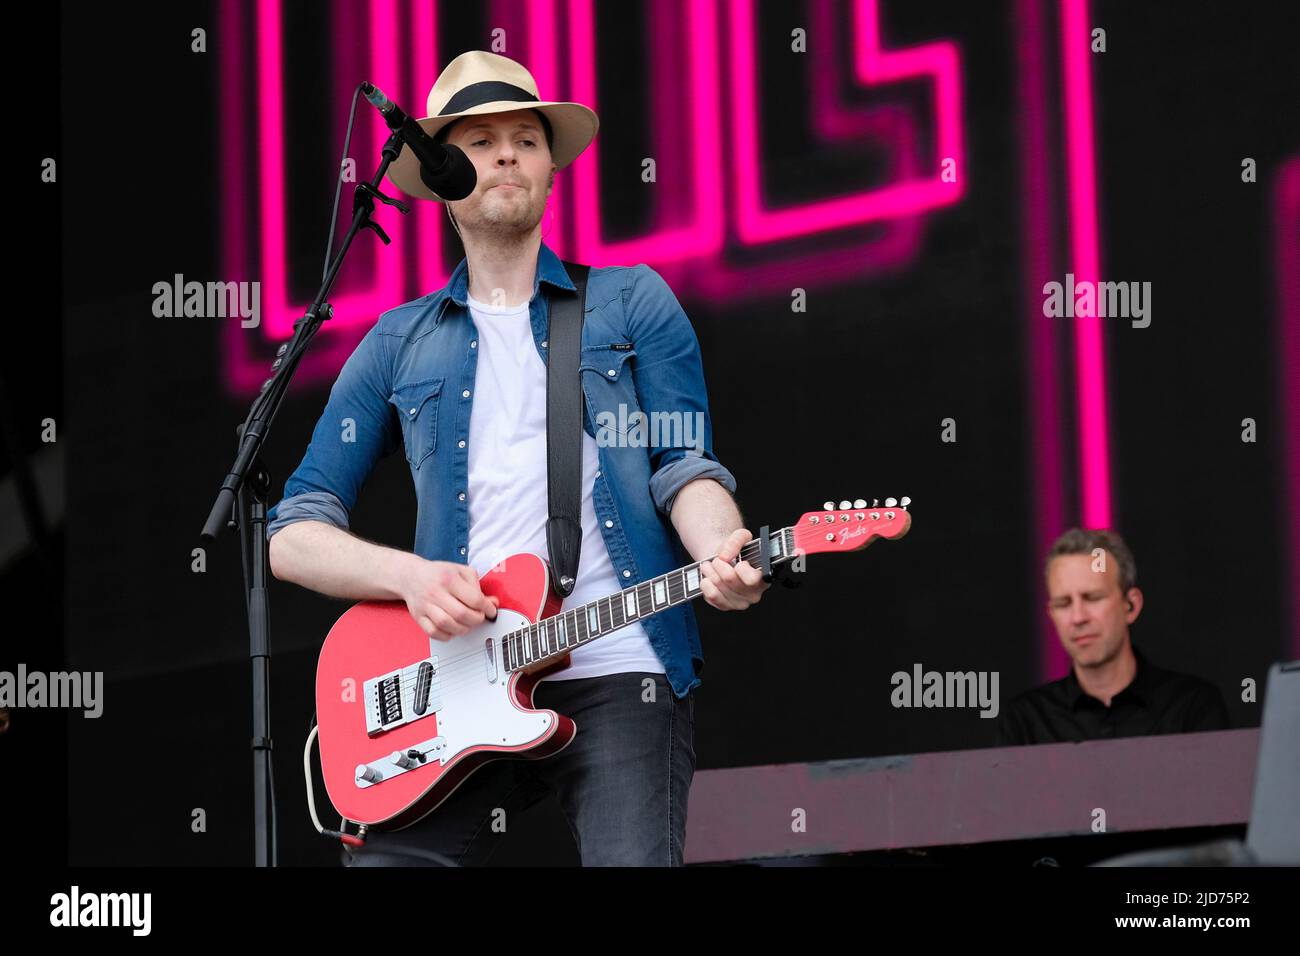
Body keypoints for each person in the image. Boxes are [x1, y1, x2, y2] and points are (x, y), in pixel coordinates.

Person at [266, 51, 769, 865]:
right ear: (441, 176)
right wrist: (410, 579)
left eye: (527, 139)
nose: (507, 153)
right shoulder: (397, 342)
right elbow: (292, 534)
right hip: (456, 682)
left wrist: (722, 548)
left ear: (548, 169)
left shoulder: (633, 301)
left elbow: (686, 468)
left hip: (620, 665)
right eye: (482, 138)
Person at [996, 528, 1229, 746]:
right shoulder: (1025, 720)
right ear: (1051, 615)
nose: (1078, 617)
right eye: (1063, 603)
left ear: (1131, 605)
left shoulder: (1190, 707)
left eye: (1093, 598)